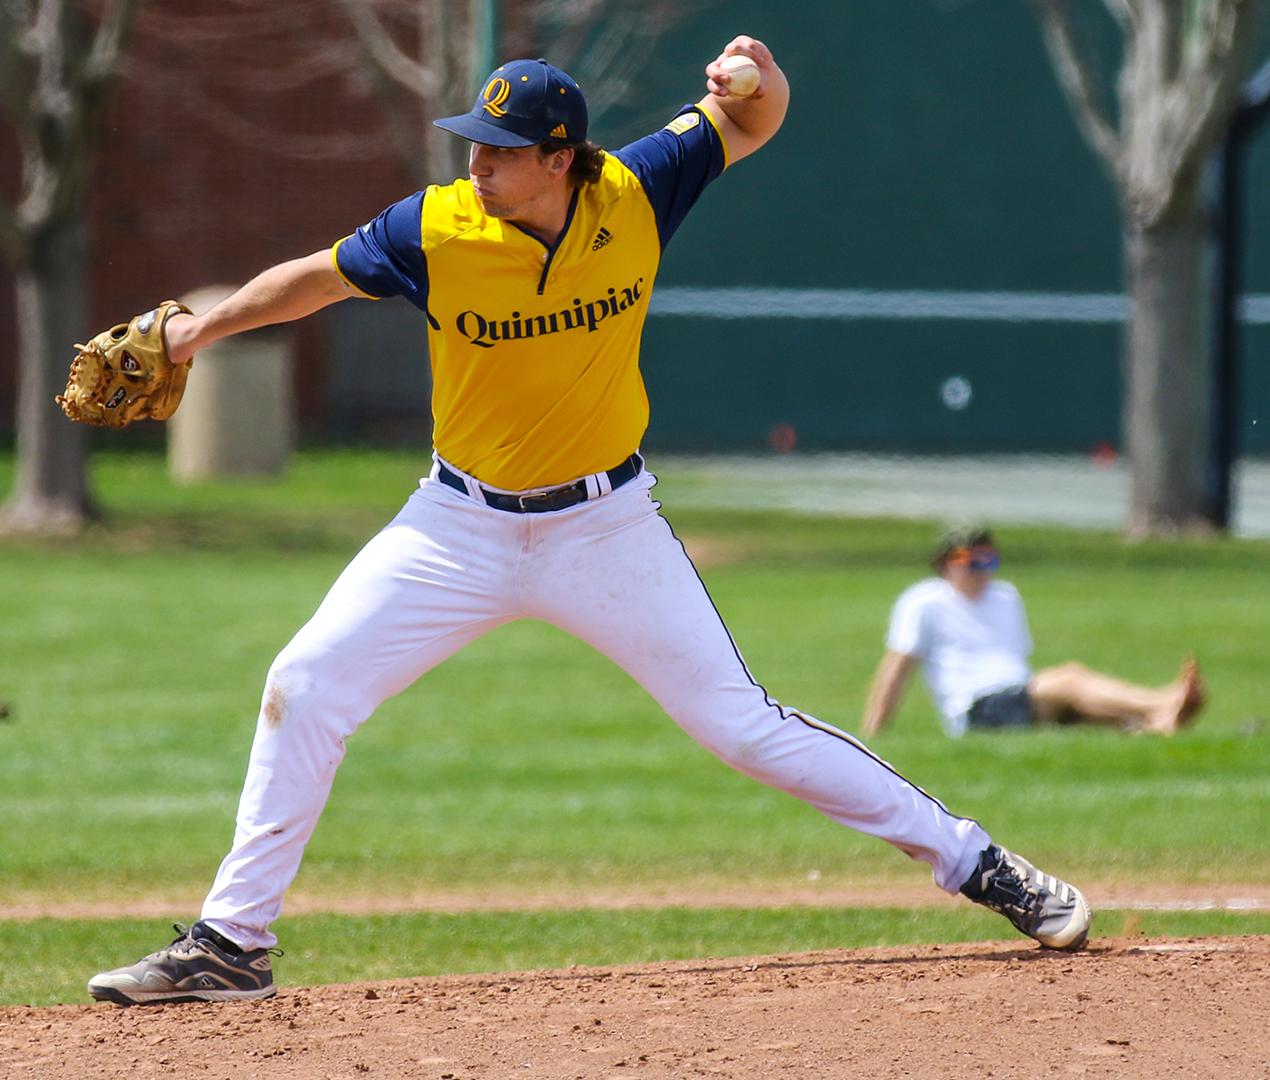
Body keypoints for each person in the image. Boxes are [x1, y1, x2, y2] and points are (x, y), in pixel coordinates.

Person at [85, 41, 1092, 1007]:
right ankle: (232, 944)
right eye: (472, 142)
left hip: (606, 528)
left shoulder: (638, 187)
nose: (476, 161)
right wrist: (195, 330)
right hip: (455, 527)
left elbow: (754, 121)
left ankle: (979, 863)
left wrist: (764, 76)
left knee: (741, 725)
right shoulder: (434, 227)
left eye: (500, 148)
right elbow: (316, 275)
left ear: (560, 160)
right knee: (304, 685)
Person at [862, 527, 1204, 738]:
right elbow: (897, 669)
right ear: (945, 563)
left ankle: (1157, 723)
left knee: (1079, 705)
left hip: (1017, 693)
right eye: (971, 560)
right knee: (1071, 679)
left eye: (989, 560)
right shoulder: (923, 602)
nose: (982, 570)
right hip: (976, 708)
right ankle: (1162, 702)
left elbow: (1014, 664)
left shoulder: (1005, 596)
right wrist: (872, 734)